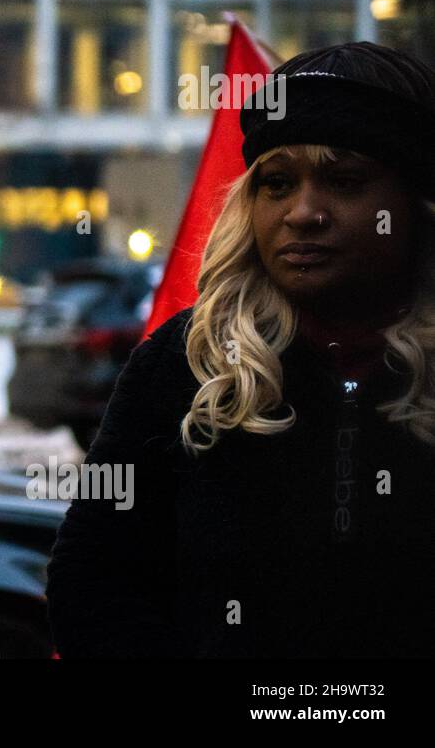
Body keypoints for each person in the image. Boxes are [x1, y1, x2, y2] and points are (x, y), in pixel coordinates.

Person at [45, 40, 435, 657]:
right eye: (278, 183)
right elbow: (93, 580)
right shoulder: (181, 364)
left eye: (346, 181)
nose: (303, 213)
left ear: (416, 205)